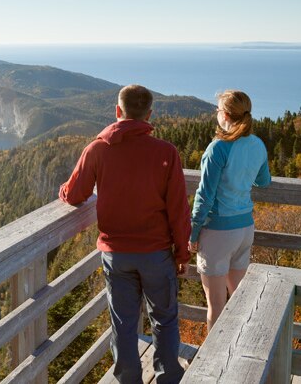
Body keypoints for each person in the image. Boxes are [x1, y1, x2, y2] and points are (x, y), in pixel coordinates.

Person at [59, 84, 191, 384]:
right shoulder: (166, 152)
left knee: (123, 324)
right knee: (164, 320)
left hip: (116, 254)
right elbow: (178, 209)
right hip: (157, 253)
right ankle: (168, 378)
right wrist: (182, 253)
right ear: (149, 115)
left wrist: (63, 191)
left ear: (118, 111)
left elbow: (75, 193)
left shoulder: (97, 149)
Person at [189, 90, 271, 329]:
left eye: (217, 110)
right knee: (239, 301)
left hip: (218, 232)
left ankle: (215, 354)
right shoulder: (257, 144)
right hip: (245, 228)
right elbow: (264, 181)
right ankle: (239, 346)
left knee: (216, 305)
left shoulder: (218, 148)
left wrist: (193, 233)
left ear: (224, 115)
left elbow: (205, 196)